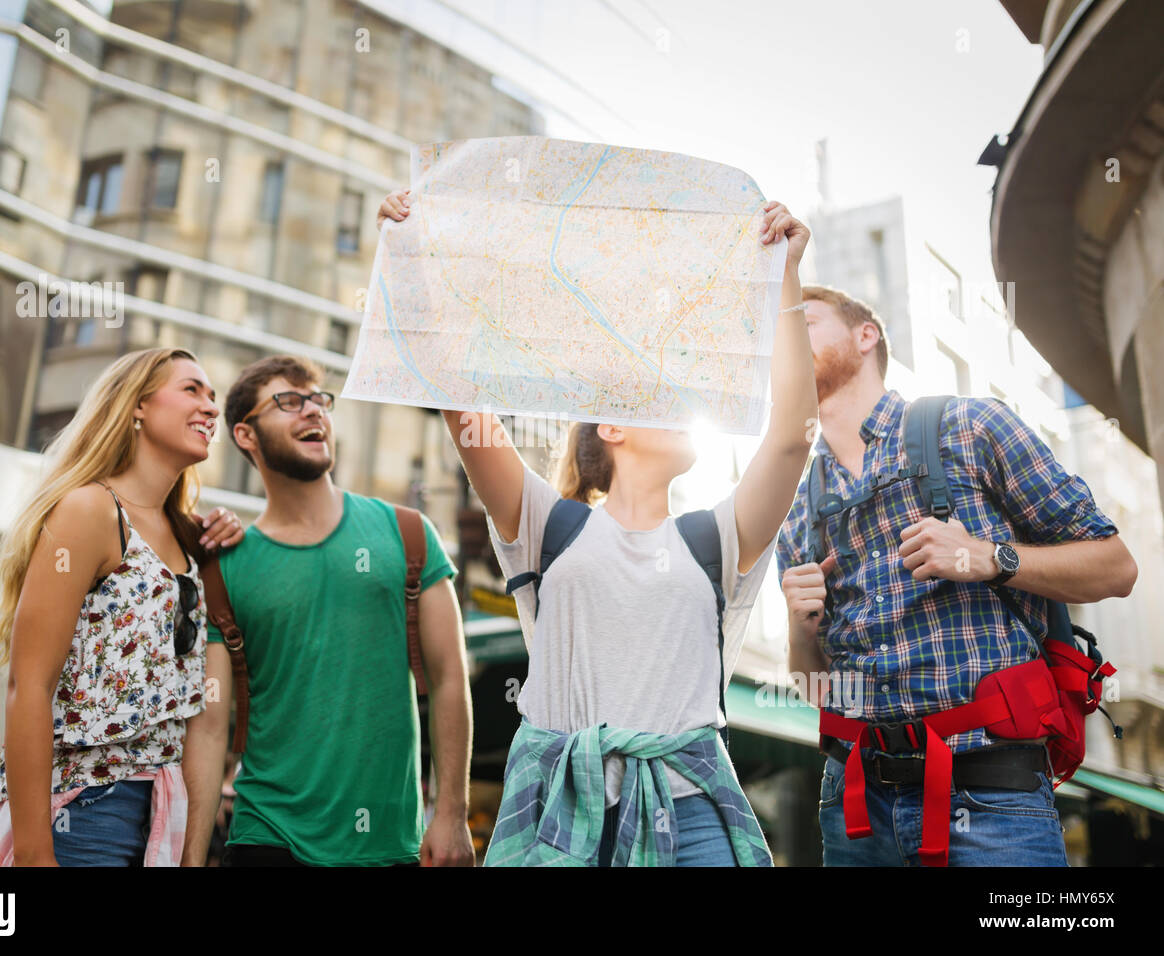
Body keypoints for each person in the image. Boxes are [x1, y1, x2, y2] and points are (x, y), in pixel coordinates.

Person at [378, 189, 819, 865]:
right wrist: (412, 262)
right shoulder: (547, 527)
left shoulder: (714, 539)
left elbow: (793, 438)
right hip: (559, 801)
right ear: (610, 429)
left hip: (692, 804)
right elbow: (459, 401)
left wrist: (786, 274)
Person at [776, 286, 1138, 866]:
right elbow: (817, 689)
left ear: (865, 335)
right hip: (856, 810)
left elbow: (1116, 567)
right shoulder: (794, 509)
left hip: (992, 798)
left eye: (805, 321)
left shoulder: (969, 426)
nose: (785, 337)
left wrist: (987, 556)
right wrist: (800, 629)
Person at [182, 355, 475, 867]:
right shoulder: (224, 568)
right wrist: (188, 858)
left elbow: (451, 678)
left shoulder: (407, 535)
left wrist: (451, 812)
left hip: (386, 846)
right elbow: (209, 727)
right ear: (246, 435)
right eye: (289, 402)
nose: (312, 411)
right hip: (265, 839)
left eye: (319, 400)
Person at [0, 347, 245, 866]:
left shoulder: (189, 541)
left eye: (214, 398)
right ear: (137, 405)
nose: (211, 408)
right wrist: (33, 854)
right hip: (80, 813)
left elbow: (204, 712)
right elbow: (30, 686)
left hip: (160, 814)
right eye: (192, 390)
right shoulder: (90, 510)